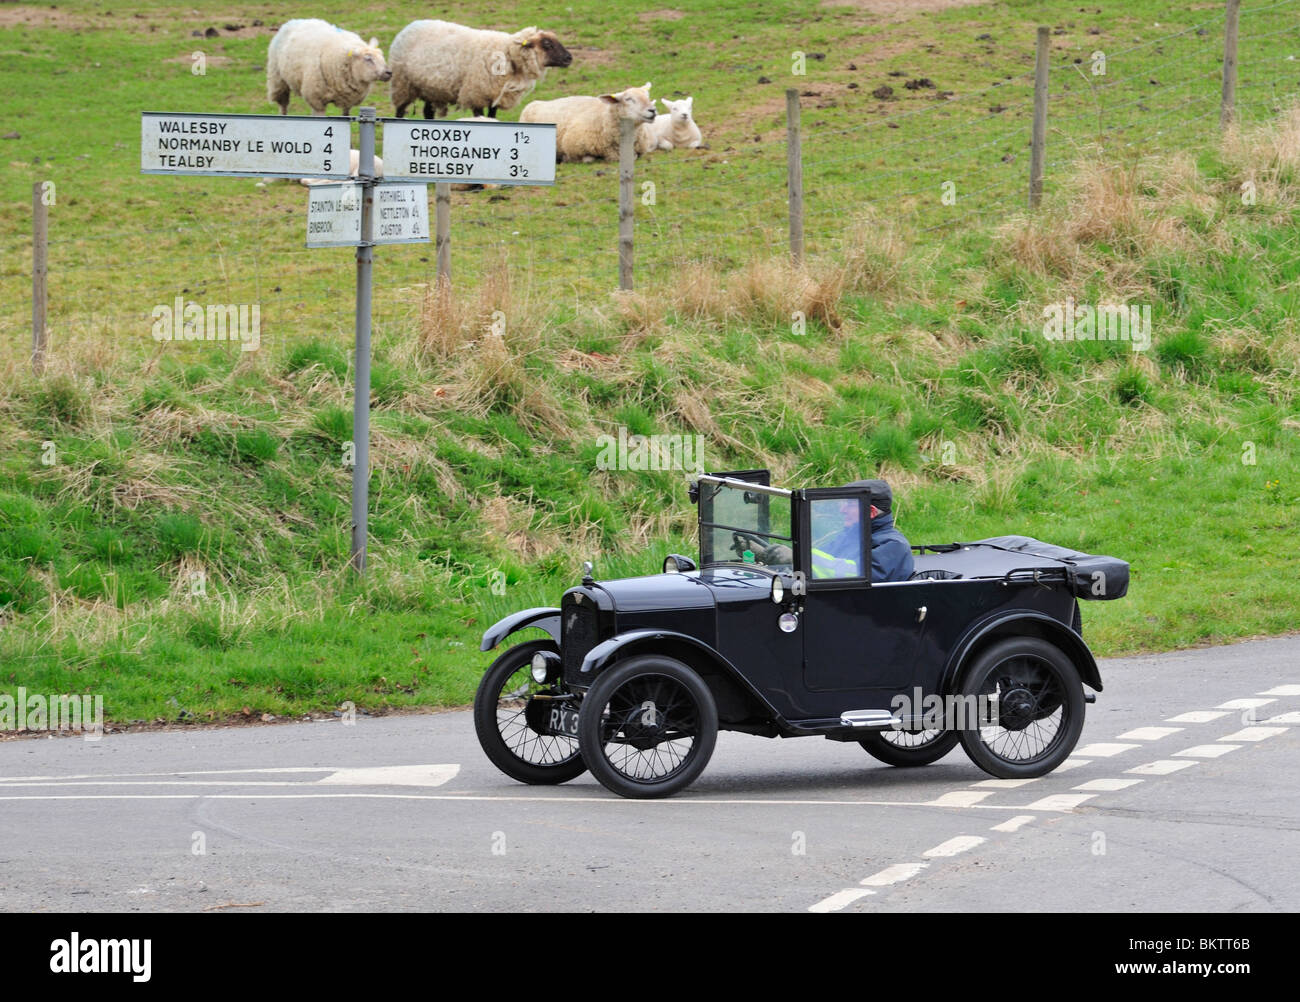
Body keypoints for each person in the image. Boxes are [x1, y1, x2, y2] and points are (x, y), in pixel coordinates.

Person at [810, 479, 914, 582]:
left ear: (871, 512)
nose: (842, 510)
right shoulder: (848, 537)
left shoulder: (893, 545)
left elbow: (853, 575)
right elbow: (820, 558)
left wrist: (805, 559)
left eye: (850, 505)